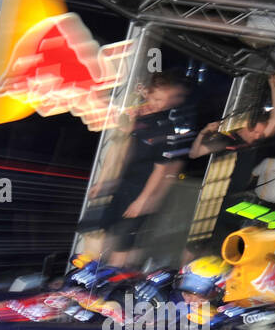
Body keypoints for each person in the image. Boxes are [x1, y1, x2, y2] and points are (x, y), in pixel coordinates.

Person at [78, 73, 193, 268]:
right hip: (120, 184)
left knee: (123, 241)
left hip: (140, 188)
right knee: (97, 231)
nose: (161, 105)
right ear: (147, 93)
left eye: (166, 102)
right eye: (157, 99)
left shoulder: (165, 128)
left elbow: (160, 170)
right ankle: (88, 273)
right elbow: (115, 150)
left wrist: (142, 200)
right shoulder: (132, 115)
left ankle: (113, 278)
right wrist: (104, 181)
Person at [188, 72, 275, 246]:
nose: (257, 136)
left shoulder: (254, 141)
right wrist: (204, 133)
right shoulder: (228, 140)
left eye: (261, 133)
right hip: (222, 198)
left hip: (240, 199)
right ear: (244, 126)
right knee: (209, 237)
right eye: (255, 131)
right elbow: (195, 153)